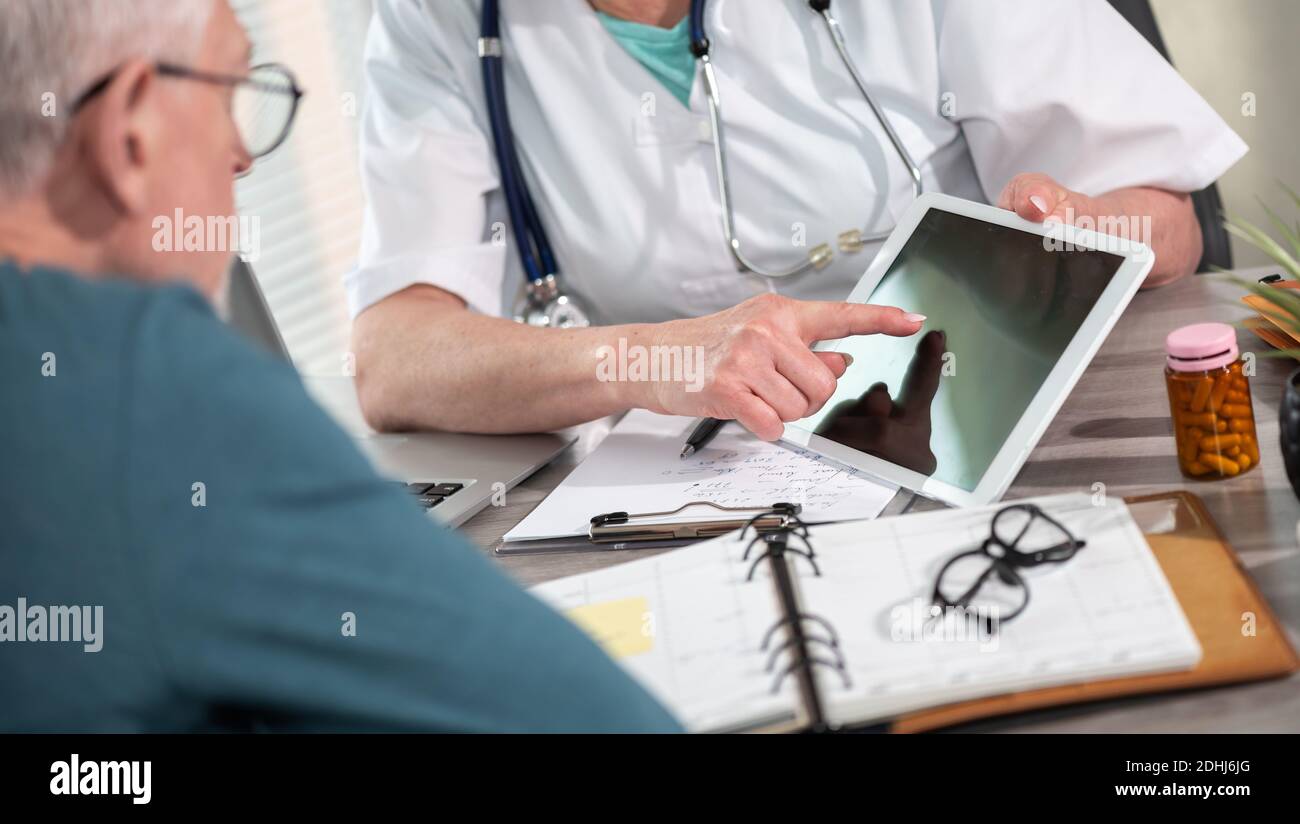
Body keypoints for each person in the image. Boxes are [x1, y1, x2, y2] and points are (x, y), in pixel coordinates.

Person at [0, 0, 679, 733]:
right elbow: (606, 721)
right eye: (231, 91)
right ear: (132, 126)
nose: (242, 154)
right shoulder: (142, 393)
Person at [348, 0, 1246, 441]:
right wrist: (644, 360)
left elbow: (1172, 222)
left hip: (983, 423)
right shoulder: (437, 18)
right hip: (704, 488)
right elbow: (392, 358)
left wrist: (1081, 230)